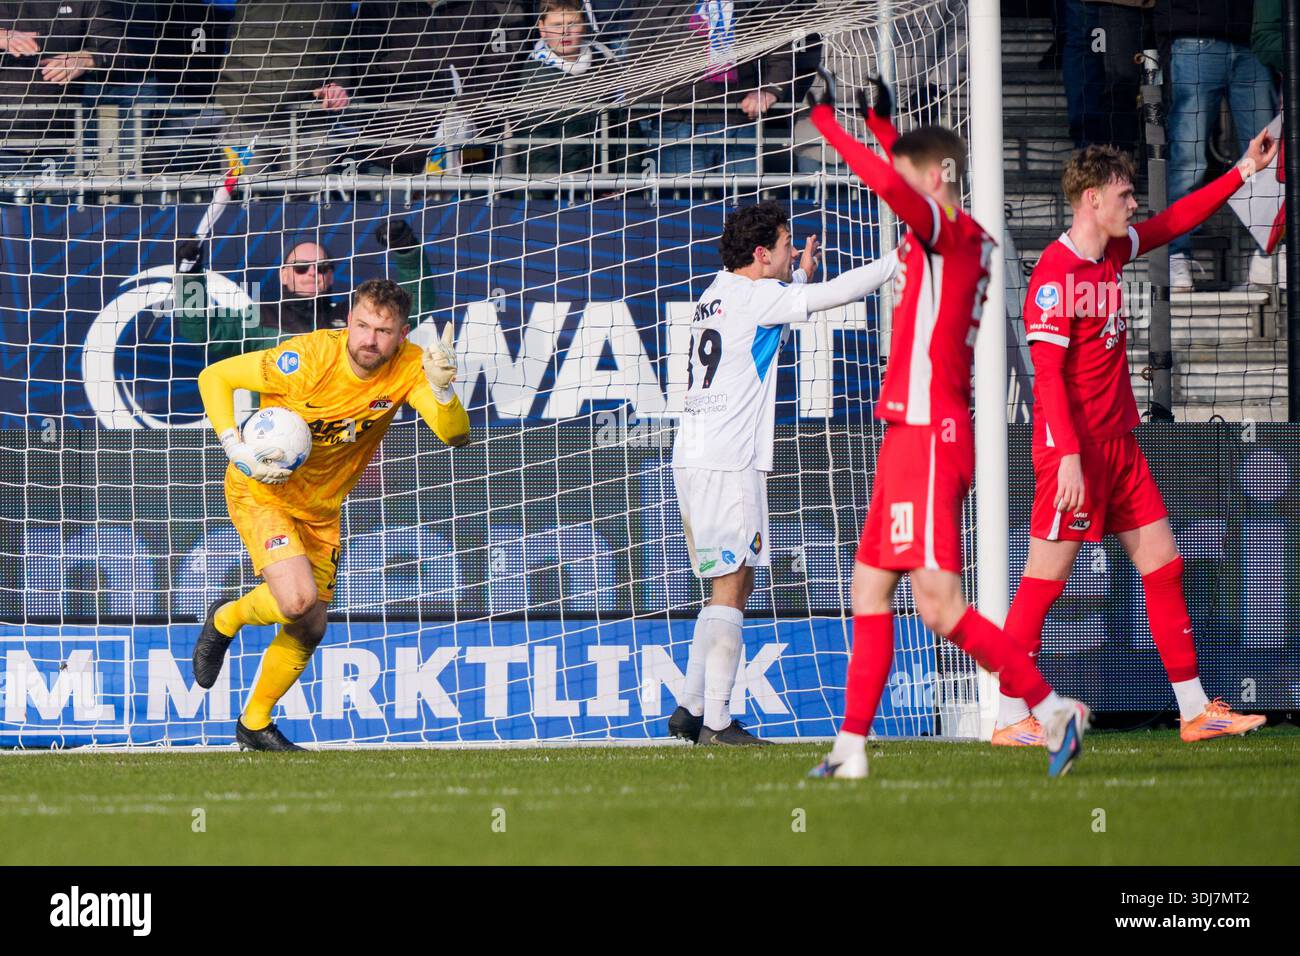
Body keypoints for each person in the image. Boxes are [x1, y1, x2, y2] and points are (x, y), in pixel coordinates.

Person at [804, 71, 1090, 779]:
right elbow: (911, 175)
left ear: (936, 178)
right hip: (911, 433)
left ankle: (1052, 712)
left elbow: (898, 187)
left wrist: (829, 124)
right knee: (868, 591)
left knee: (938, 606)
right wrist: (882, 124)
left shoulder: (949, 232)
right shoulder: (959, 236)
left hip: (932, 435)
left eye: (911, 177)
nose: (901, 196)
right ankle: (849, 752)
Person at [994, 135, 1277, 747]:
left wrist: (1245, 171)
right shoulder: (1054, 274)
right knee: (1044, 582)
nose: (1134, 205)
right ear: (1092, 199)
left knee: (1164, 563)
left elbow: (1175, 219)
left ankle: (1195, 710)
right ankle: (1006, 716)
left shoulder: (1113, 252)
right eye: (1125, 195)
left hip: (1119, 444)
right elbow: (1047, 377)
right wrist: (1068, 456)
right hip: (1074, 452)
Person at [192, 278, 470, 750]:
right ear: (349, 321)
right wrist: (234, 446)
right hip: (263, 491)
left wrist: (443, 394)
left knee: (310, 625)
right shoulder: (308, 358)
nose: (368, 339)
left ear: (402, 334)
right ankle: (228, 617)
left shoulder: (408, 368)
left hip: (322, 508)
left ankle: (254, 725)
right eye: (361, 325)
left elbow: (455, 437)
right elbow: (214, 377)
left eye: (382, 331)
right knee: (297, 600)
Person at [668, 199, 897, 746]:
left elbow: (759, 327)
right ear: (760, 253)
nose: (796, 248)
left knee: (729, 580)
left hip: (694, 454)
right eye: (788, 243)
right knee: (731, 585)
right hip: (728, 459)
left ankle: (691, 707)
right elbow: (829, 297)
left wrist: (792, 277)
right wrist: (895, 261)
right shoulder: (759, 296)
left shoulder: (716, 293)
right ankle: (718, 725)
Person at [1156, 0, 1278, 289]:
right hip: (1194, 34)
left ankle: (1268, 252)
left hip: (1252, 40)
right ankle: (1177, 255)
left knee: (1267, 155)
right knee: (1188, 160)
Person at [212, 1, 359, 182]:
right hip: (249, 105)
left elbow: (342, 40)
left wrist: (336, 84)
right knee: (241, 193)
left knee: (310, 197)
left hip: (310, 113)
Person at [0, 1, 125, 178]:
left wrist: (87, 59)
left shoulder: (86, 2)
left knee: (67, 204)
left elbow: (123, 56)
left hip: (61, 149)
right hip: (3, 147)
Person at [174, 239, 349, 361]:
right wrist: (190, 275)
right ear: (284, 275)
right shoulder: (261, 316)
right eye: (301, 267)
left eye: (321, 267)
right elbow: (202, 333)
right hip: (275, 414)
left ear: (331, 276)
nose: (312, 273)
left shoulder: (352, 317)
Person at [514, 0, 618, 174]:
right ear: (542, 28)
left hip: (604, 185)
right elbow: (536, 145)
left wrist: (622, 180)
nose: (565, 32)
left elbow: (622, 128)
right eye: (557, 25)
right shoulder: (532, 73)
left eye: (572, 23)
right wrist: (557, 190)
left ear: (584, 25)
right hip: (556, 190)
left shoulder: (604, 64)